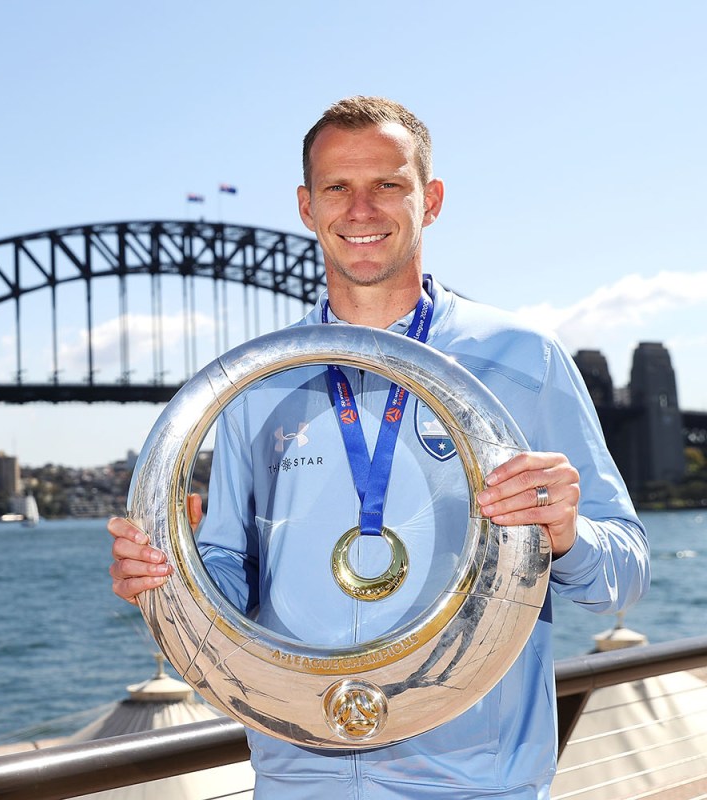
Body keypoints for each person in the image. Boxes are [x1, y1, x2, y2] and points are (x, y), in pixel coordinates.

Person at [107, 96, 650, 798]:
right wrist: (167, 576)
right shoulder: (254, 381)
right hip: (300, 772)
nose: (360, 209)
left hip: (474, 779)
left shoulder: (525, 359)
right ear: (307, 207)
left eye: (388, 184)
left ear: (432, 199)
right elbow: (229, 568)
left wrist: (568, 533)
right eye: (337, 187)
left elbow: (625, 575)